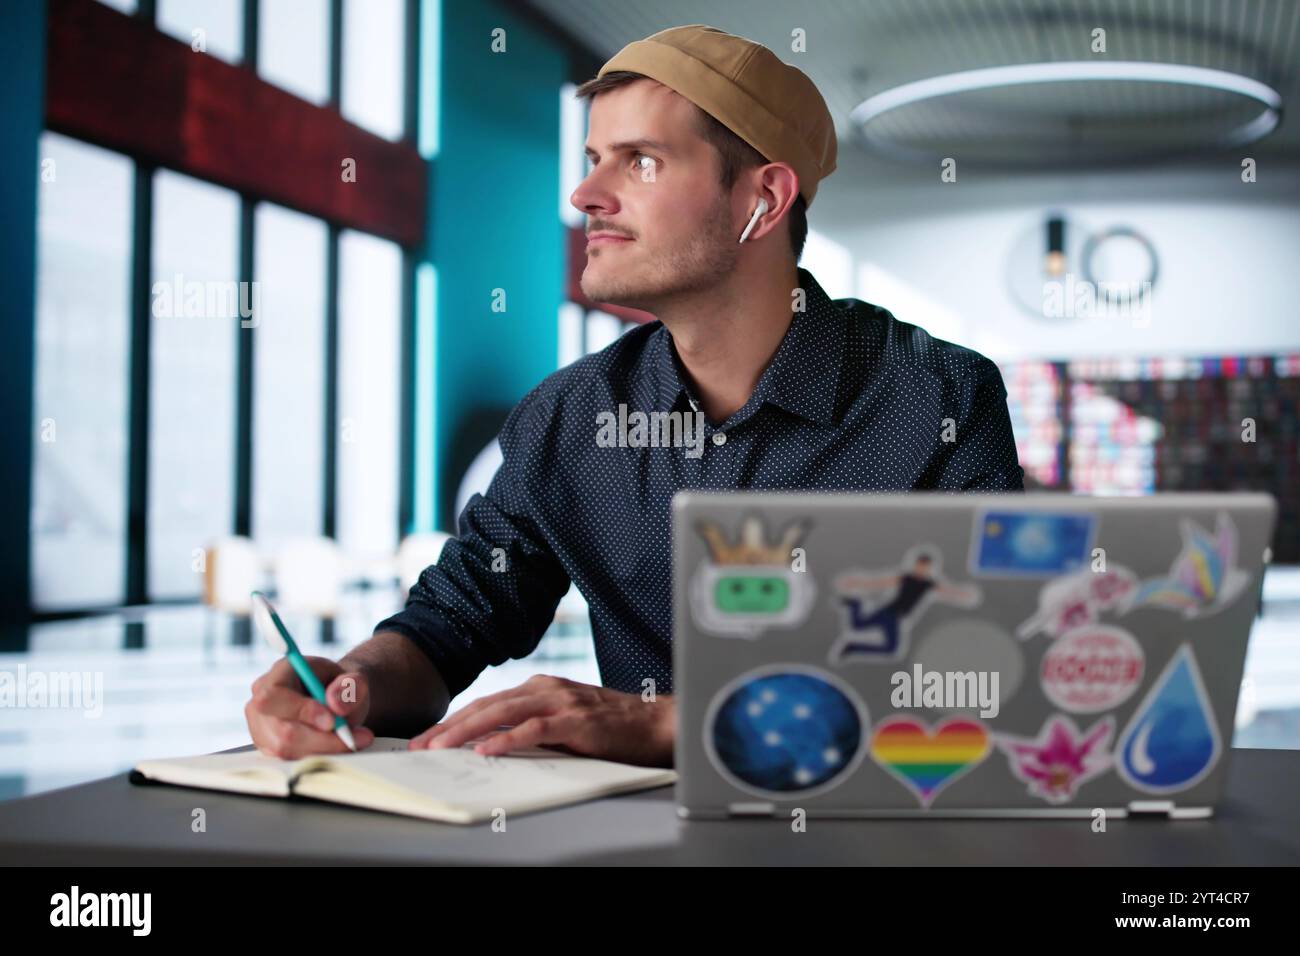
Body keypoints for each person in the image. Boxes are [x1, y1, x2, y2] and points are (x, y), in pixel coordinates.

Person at [244, 25, 1024, 768]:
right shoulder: (569, 418)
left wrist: (671, 721)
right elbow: (450, 620)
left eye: (639, 161)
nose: (586, 192)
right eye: (591, 158)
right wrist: (352, 686)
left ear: (765, 199)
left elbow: (981, 672)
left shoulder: (939, 397)